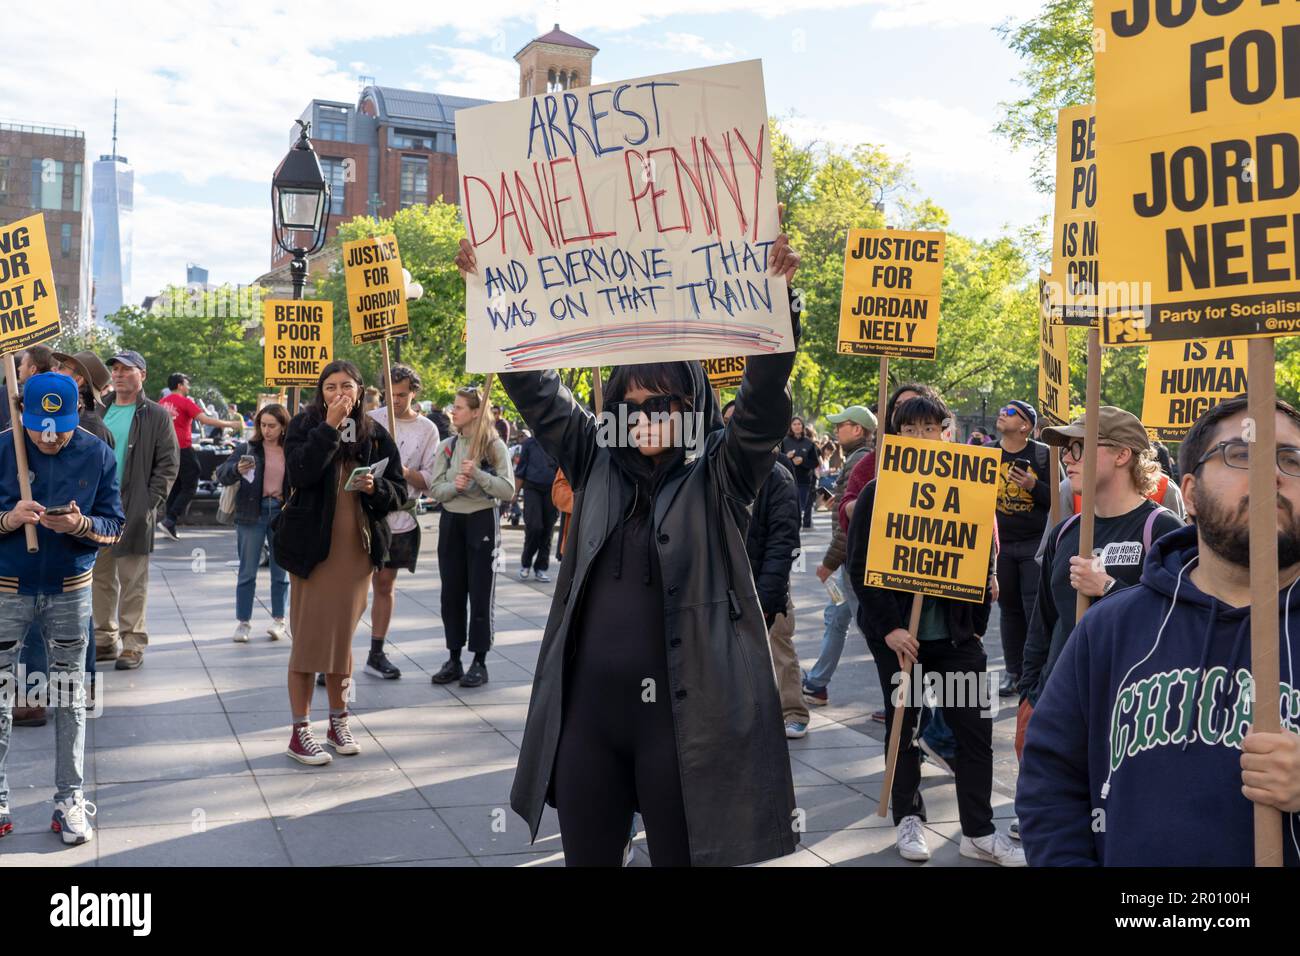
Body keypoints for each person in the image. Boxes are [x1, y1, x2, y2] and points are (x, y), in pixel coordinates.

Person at [456, 230, 802, 867]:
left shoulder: (723, 474)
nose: (646, 413)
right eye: (631, 400)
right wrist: (490, 288)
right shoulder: (592, 460)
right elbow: (535, 391)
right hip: (589, 721)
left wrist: (777, 302)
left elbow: (761, 404)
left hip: (683, 728)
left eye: (665, 400)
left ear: (693, 404)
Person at [1017, 396, 1300, 866]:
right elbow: (1051, 783)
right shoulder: (1110, 628)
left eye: (1291, 460)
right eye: (1241, 454)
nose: (1271, 474)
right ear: (1189, 492)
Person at [847, 394, 1024, 866]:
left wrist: (976, 613)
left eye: (930, 428)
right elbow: (860, 565)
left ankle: (979, 831)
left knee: (974, 731)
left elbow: (983, 552)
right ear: (895, 436)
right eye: (911, 429)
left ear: (945, 432)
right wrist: (889, 630)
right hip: (899, 641)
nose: (922, 437)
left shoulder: (969, 488)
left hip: (955, 639)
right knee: (903, 728)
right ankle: (908, 818)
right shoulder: (877, 491)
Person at [0, 372, 124, 844]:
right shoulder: (2, 448)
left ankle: (69, 799)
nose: (49, 437)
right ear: (23, 416)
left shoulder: (97, 452)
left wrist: (81, 524)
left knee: (70, 694)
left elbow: (115, 526)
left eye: (60, 428)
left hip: (70, 589)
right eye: (38, 428)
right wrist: (9, 519)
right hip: (7, 588)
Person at [1017, 406, 1185, 736]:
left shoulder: (1163, 530)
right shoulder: (1065, 532)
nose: (1067, 458)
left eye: (1078, 447)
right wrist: (1030, 695)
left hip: (1124, 713)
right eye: (1066, 449)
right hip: (1055, 706)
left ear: (1122, 454)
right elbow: (1043, 623)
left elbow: (1178, 623)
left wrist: (1108, 587)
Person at [272, 361, 407, 766]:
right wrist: (328, 428)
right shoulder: (303, 425)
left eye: (346, 386)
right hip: (313, 550)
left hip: (356, 553)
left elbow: (398, 491)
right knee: (310, 640)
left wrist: (375, 486)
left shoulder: (374, 433)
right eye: (330, 387)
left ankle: (338, 721)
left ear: (362, 390)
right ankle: (300, 732)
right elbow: (298, 473)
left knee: (343, 644)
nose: (339, 393)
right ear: (321, 391)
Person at [14, 351, 114, 725]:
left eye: (66, 369)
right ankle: (62, 690)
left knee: (69, 617)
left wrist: (81, 523)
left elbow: (106, 505)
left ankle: (75, 688)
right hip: (34, 550)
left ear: (81, 382)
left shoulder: (93, 436)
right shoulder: (22, 435)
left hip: (75, 546)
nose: (57, 371)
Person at [724, 400, 806, 738]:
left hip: (765, 589)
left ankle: (793, 711)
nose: (733, 427)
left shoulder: (777, 476)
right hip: (723, 587)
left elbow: (782, 542)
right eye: (727, 420)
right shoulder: (711, 471)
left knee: (778, 648)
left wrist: (769, 597)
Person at [93, 351, 179, 671]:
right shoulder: (99, 410)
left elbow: (168, 464)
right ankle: (103, 638)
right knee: (100, 577)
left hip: (133, 507)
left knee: (132, 578)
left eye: (126, 370)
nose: (117, 375)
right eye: (114, 369)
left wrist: (149, 504)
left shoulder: (155, 414)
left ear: (142, 374)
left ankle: (132, 642)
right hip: (96, 509)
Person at [428, 386, 516, 688]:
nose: (454, 411)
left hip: (482, 521)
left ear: (476, 412)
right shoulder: (447, 446)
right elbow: (435, 489)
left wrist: (478, 475)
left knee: (481, 592)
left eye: (460, 407)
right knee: (451, 593)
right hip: (452, 521)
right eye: (454, 406)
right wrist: (456, 486)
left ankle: (480, 660)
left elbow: (507, 490)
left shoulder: (494, 446)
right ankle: (453, 658)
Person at [365, 365, 440, 679]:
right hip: (365, 514)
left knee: (385, 585)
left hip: (400, 517)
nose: (395, 400)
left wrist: (404, 470)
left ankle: (376, 651)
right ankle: (334, 653)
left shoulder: (427, 429)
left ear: (414, 392)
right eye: (390, 394)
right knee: (353, 587)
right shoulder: (370, 421)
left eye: (402, 394)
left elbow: (431, 481)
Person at [802, 405, 877, 707]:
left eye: (841, 425)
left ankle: (900, 696)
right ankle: (817, 683)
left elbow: (852, 524)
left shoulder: (860, 460)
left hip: (853, 560)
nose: (836, 430)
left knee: (873, 627)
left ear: (857, 430)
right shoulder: (858, 458)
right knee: (838, 616)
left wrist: (829, 563)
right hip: (851, 558)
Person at [988, 400, 1052, 699]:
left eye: (1012, 412)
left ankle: (1035, 672)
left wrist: (1032, 486)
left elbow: (1063, 498)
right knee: (1008, 610)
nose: (1003, 412)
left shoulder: (1043, 455)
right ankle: (1013, 673)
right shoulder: (986, 454)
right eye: (1004, 409)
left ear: (1026, 426)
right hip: (999, 547)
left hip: (1034, 545)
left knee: (1032, 609)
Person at [216, 404, 291, 643]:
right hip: (252, 513)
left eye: (272, 426)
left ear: (283, 427)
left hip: (281, 513)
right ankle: (243, 622)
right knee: (247, 571)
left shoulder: (291, 449)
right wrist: (237, 469)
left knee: (281, 572)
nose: (267, 430)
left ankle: (279, 620)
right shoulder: (248, 448)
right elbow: (221, 473)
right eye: (263, 425)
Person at [157, 373, 243, 540]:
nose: (188, 387)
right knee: (191, 482)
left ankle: (169, 522)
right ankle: (170, 519)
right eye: (187, 384)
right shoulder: (185, 402)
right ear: (180, 385)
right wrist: (231, 423)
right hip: (182, 448)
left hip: (164, 450)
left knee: (176, 484)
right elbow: (205, 420)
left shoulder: (161, 403)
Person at [515, 431, 559, 583]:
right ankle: (526, 563)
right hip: (532, 487)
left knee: (547, 530)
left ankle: (541, 567)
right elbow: (520, 469)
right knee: (534, 527)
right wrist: (514, 493)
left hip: (552, 490)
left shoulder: (557, 442)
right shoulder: (528, 443)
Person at [780, 417, 818, 529]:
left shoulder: (809, 443)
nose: (797, 426)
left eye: (799, 424)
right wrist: (787, 457)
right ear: (790, 427)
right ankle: (793, 525)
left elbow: (815, 462)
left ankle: (805, 523)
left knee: (804, 505)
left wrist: (803, 461)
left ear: (802, 426)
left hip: (805, 479)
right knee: (790, 504)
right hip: (788, 478)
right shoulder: (784, 441)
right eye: (794, 424)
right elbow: (777, 460)